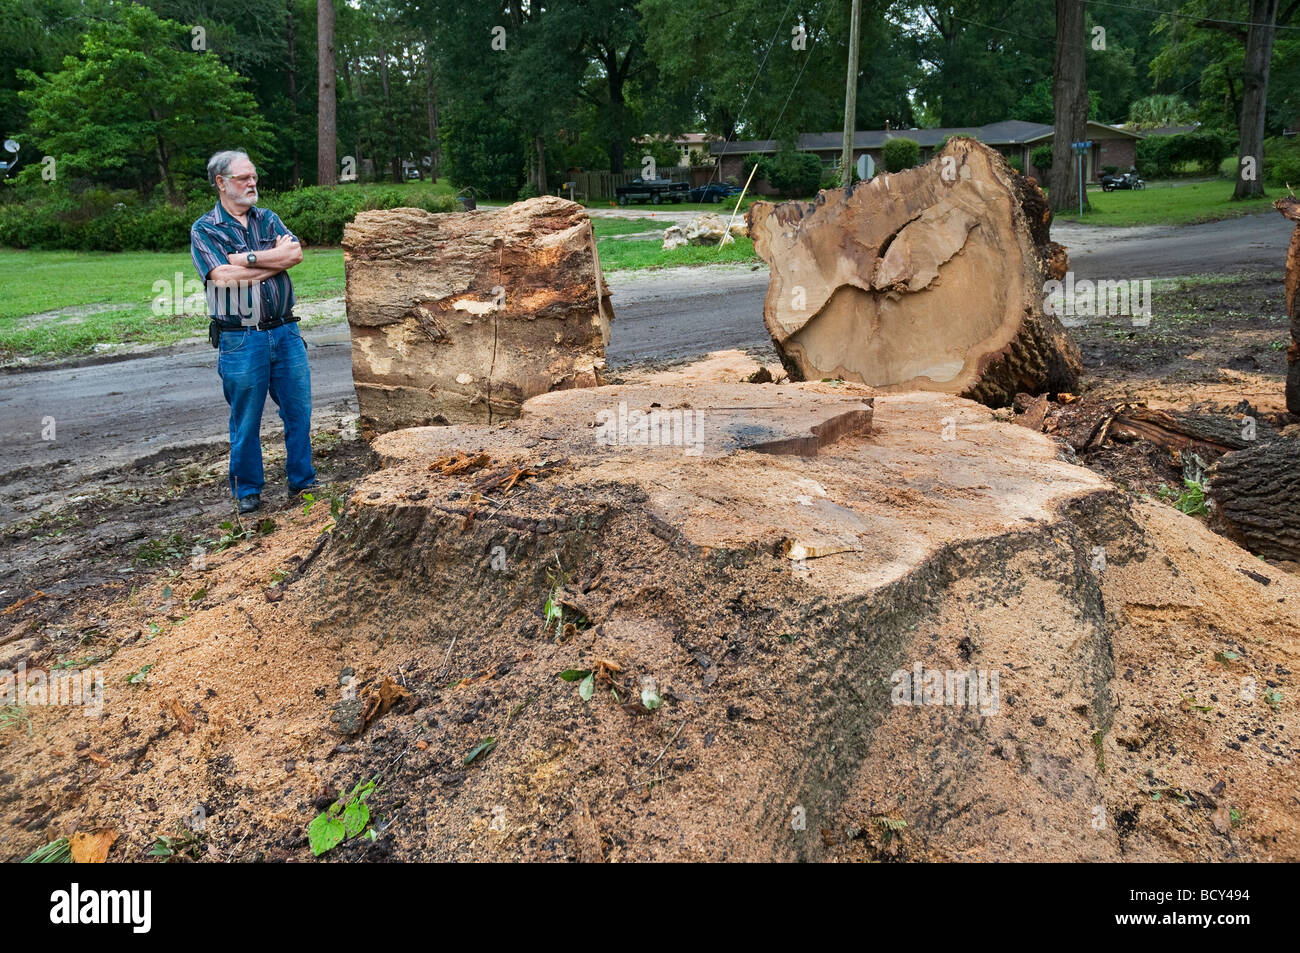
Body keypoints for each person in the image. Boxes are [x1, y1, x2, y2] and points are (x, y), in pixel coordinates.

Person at [191, 149, 318, 514]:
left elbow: (294, 254)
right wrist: (273, 263)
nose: (252, 183)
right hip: (241, 338)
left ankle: (303, 482)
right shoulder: (205, 229)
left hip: (286, 331)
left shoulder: (268, 218)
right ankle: (248, 490)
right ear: (221, 182)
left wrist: (245, 259)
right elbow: (222, 279)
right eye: (243, 178)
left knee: (299, 412)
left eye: (254, 177)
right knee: (246, 420)